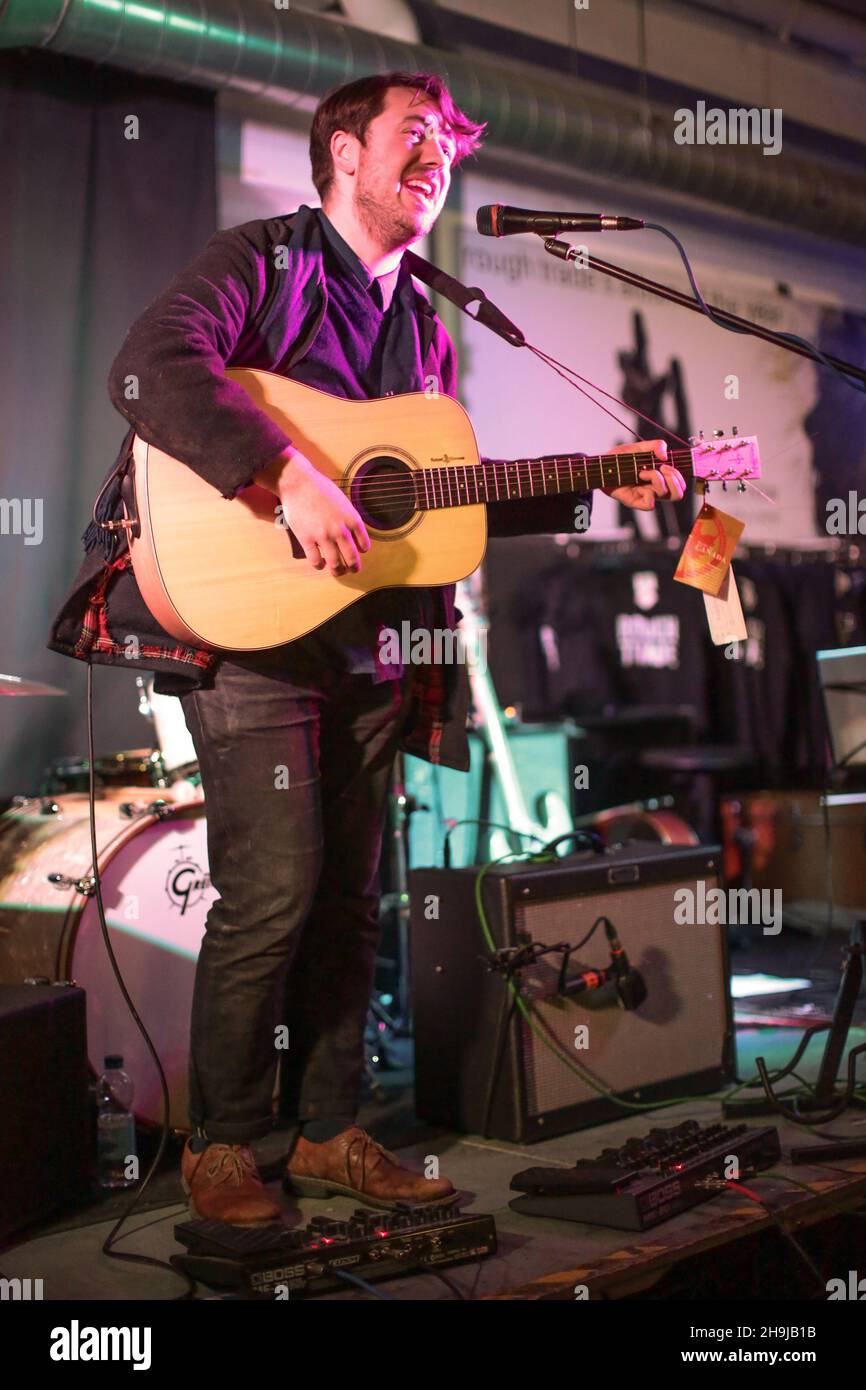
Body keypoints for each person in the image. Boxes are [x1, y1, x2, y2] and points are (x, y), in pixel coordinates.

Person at [48, 71, 685, 1226]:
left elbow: (430, 500)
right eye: (416, 133)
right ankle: (230, 1143)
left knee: (352, 897)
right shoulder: (264, 262)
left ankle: (332, 1127)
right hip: (247, 634)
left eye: (450, 140)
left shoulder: (426, 325)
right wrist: (283, 473)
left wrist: (602, 479)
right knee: (273, 888)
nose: (440, 153)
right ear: (343, 151)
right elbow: (148, 366)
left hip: (372, 646)